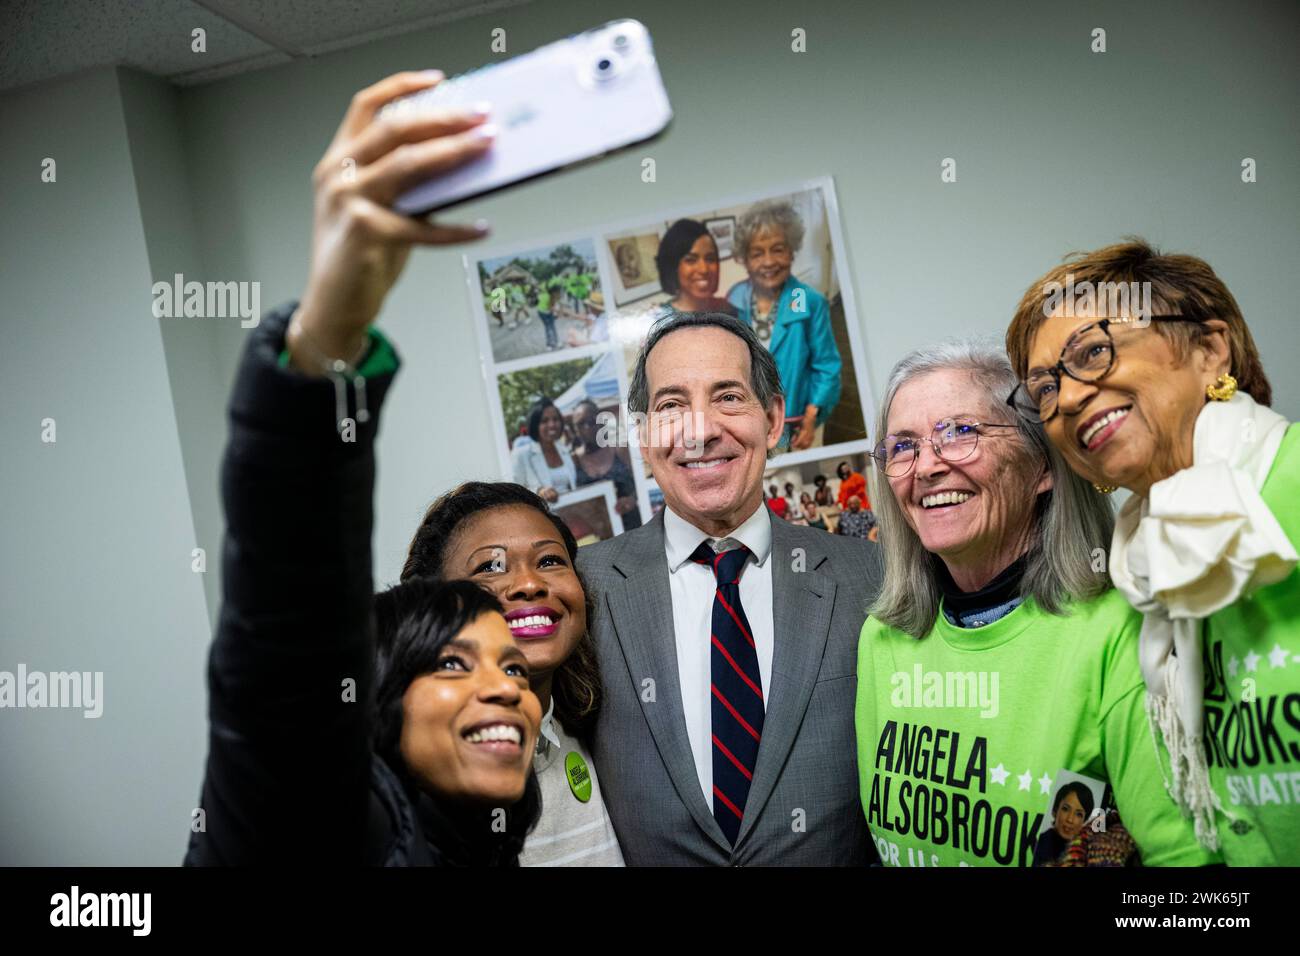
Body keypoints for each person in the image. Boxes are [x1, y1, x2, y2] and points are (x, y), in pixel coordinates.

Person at [186, 70, 547, 865]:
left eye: (514, 668)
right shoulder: (315, 826)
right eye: (453, 662)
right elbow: (287, 648)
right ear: (372, 704)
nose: (506, 689)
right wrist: (330, 337)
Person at [856, 340, 1217, 868]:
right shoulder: (882, 638)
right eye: (903, 446)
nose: (926, 467)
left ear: (1042, 466)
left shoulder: (1119, 632)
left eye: (960, 432)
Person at [1006, 239, 1300, 864]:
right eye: (1046, 391)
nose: (1072, 397)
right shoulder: (1131, 585)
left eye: (1093, 351)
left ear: (1208, 350)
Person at [579, 310, 884, 865]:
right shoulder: (583, 590)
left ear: (772, 420)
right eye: (671, 406)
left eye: (727, 397)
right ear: (645, 438)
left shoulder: (872, 578)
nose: (700, 430)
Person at [402, 482, 624, 866]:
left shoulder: (590, 734)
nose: (529, 584)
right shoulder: (417, 781)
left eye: (550, 561)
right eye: (490, 566)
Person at [727, 200, 841, 451]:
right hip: (750, 430)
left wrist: (811, 419)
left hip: (799, 427)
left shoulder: (806, 301)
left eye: (778, 249)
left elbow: (827, 367)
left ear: (792, 252)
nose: (768, 262)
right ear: (745, 259)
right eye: (757, 253)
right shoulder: (734, 301)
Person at [571, 399, 642, 531]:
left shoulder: (620, 450)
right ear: (575, 429)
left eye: (591, 421)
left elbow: (641, 483)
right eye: (581, 424)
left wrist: (632, 499)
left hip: (634, 527)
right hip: (601, 535)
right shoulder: (573, 461)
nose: (587, 428)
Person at [653, 218, 740, 316]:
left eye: (710, 259)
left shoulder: (728, 310)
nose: (704, 269)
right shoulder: (660, 320)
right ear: (673, 267)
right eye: (691, 260)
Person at [511, 397, 577, 502]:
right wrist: (539, 492)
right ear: (535, 425)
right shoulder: (521, 455)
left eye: (555, 419)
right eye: (544, 421)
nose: (552, 425)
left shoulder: (565, 451)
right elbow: (514, 493)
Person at [1033, 782, 1096, 866]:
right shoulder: (1036, 844)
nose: (1070, 819)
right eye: (1065, 809)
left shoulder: (1087, 855)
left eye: (1079, 814)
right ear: (1055, 811)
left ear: (1084, 821)